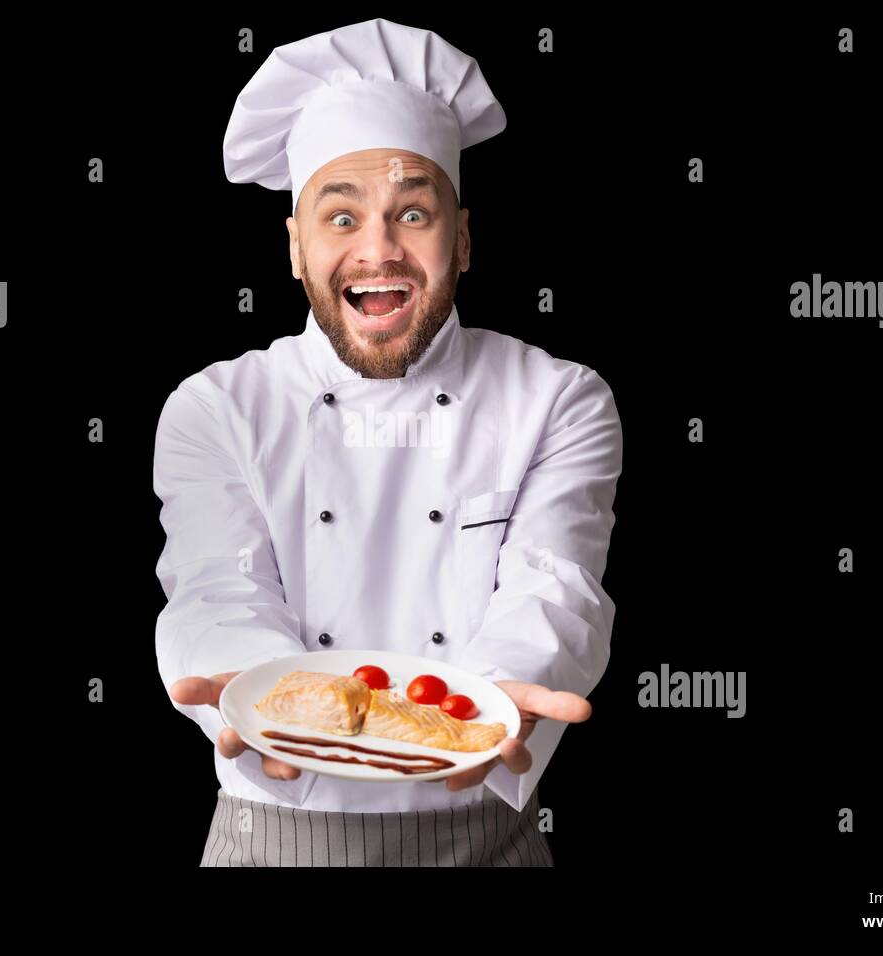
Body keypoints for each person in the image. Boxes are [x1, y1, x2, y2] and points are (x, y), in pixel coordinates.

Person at [156, 18, 623, 866]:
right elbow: (215, 590)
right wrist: (267, 702)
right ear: (295, 249)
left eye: (413, 211)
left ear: (464, 239)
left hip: (486, 826)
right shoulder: (216, 406)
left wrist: (484, 710)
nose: (378, 249)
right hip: (274, 827)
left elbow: (555, 588)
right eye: (340, 217)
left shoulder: (559, 399)